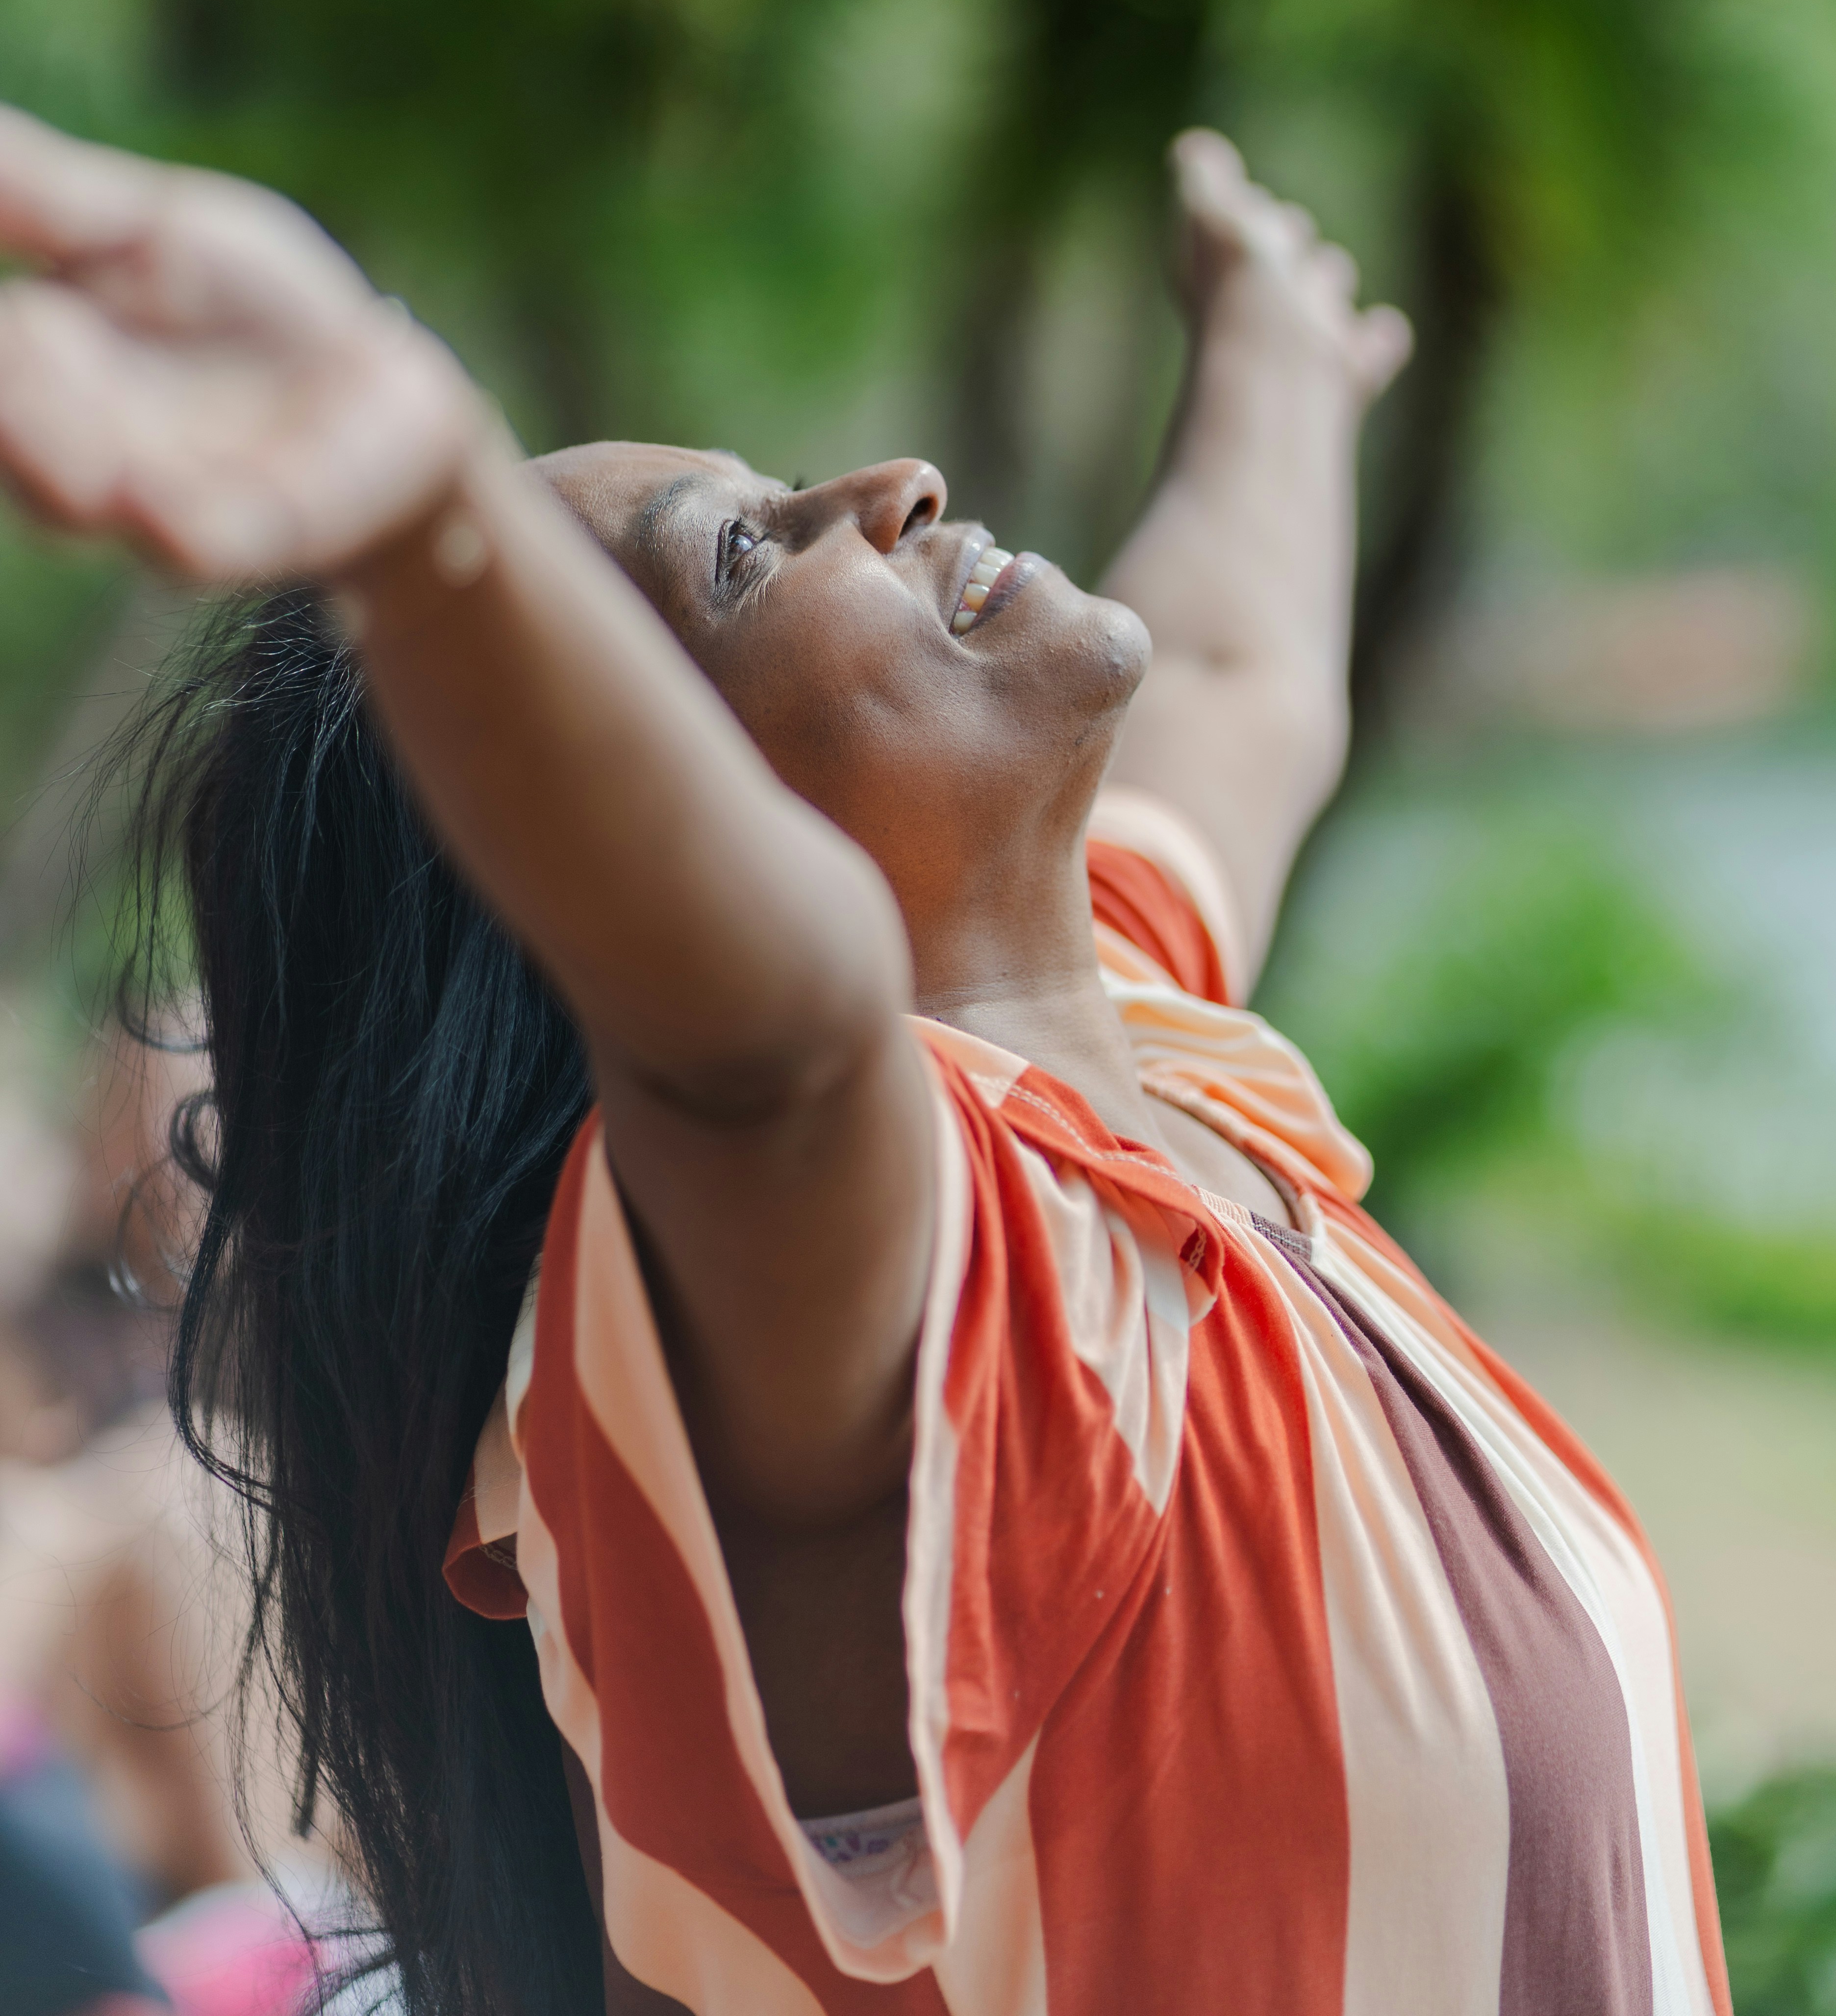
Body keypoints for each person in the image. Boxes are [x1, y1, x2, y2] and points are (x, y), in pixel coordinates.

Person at [0, 105, 1733, 2016]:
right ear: (627, 858)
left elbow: (1244, 679)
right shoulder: (803, 1296)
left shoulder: (1128, 1047)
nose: (892, 484)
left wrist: (1279, 354)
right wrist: (421, 523)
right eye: (744, 555)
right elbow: (763, 1053)